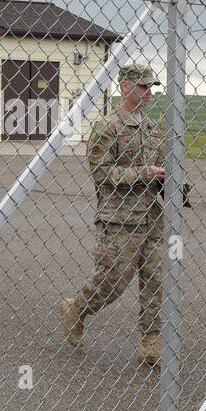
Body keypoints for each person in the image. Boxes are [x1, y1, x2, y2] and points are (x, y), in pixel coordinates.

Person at [59, 64, 165, 366]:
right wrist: (145, 173)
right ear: (125, 87)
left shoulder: (152, 128)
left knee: (156, 280)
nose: (148, 93)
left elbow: (161, 165)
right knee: (113, 281)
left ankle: (151, 340)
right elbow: (101, 172)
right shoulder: (107, 127)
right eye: (143, 87)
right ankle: (77, 308)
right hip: (120, 219)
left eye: (150, 87)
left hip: (153, 218)